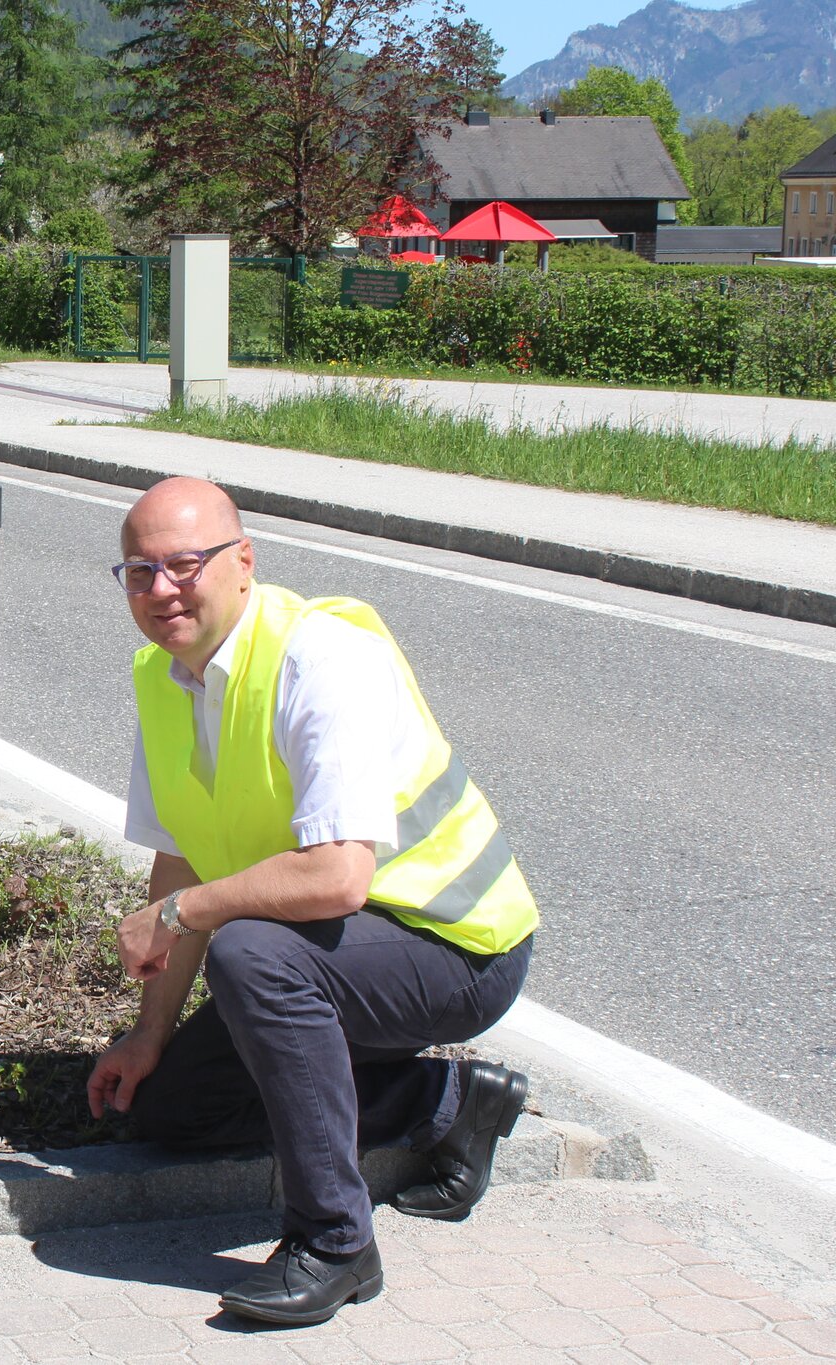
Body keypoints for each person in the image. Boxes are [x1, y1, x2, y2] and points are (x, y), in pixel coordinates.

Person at [85, 476, 538, 1327]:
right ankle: (448, 1104)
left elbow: (336, 877)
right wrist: (148, 1035)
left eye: (184, 564)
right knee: (178, 1110)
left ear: (243, 562)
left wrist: (187, 917)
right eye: (138, 572)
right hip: (337, 948)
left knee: (249, 955)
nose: (162, 590)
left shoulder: (319, 656)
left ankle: (334, 1241)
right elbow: (179, 861)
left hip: (457, 944)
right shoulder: (163, 676)